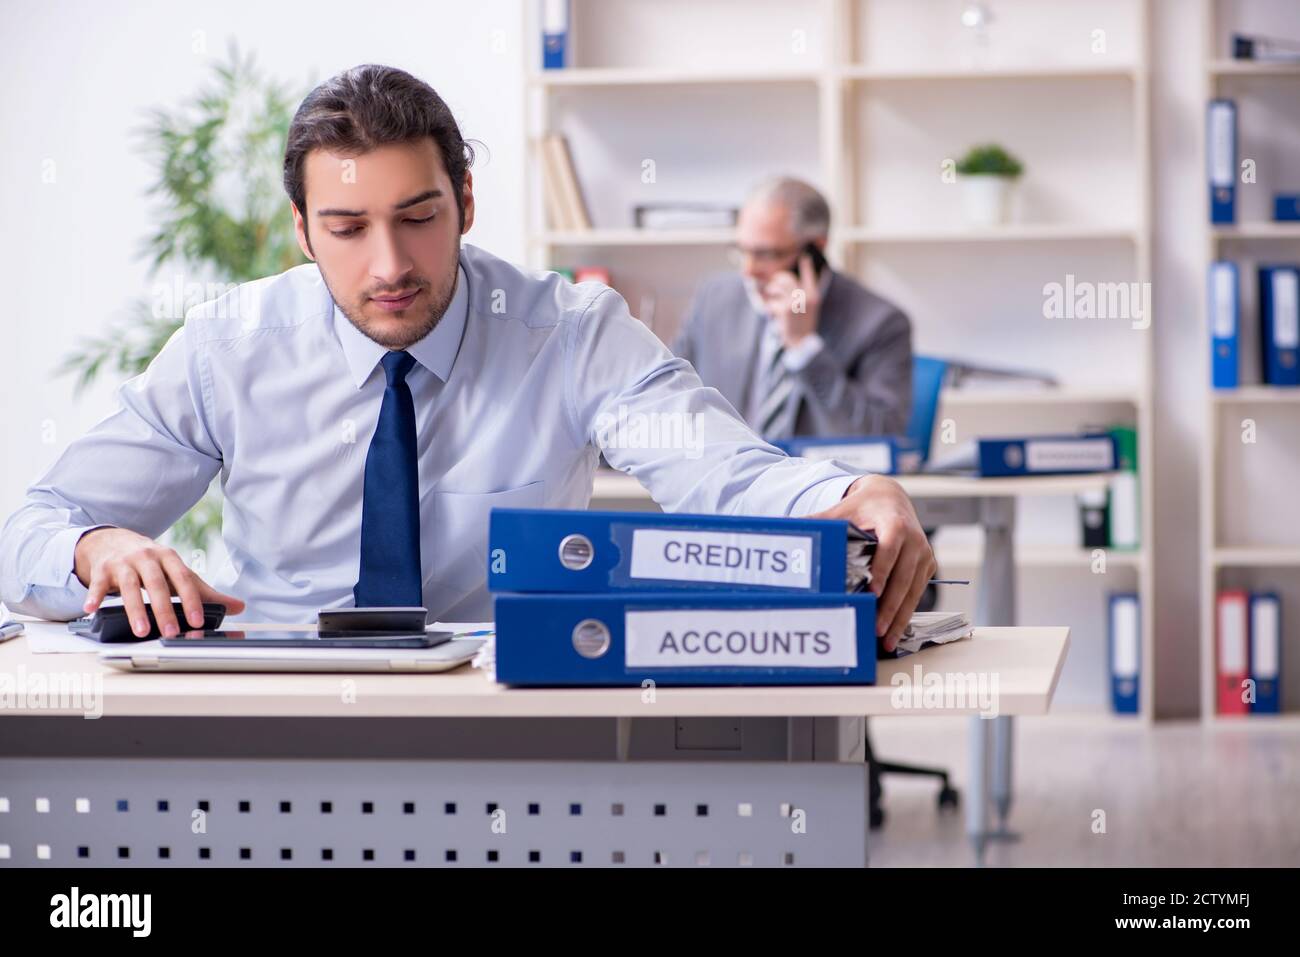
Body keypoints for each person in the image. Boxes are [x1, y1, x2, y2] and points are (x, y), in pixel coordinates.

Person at [0, 65, 933, 652]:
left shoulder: (571, 332)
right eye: (347, 229)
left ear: (467, 203)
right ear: (300, 231)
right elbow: (29, 531)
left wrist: (843, 498)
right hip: (282, 711)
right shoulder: (226, 349)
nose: (391, 265)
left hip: (513, 718)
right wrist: (96, 545)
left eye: (419, 218)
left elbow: (722, 474)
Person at [673, 177, 912, 441]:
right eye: (743, 251)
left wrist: (804, 346)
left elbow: (880, 437)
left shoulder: (880, 322)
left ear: (815, 249)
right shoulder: (715, 299)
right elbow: (666, 394)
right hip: (723, 475)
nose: (748, 271)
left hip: (820, 480)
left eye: (767, 254)